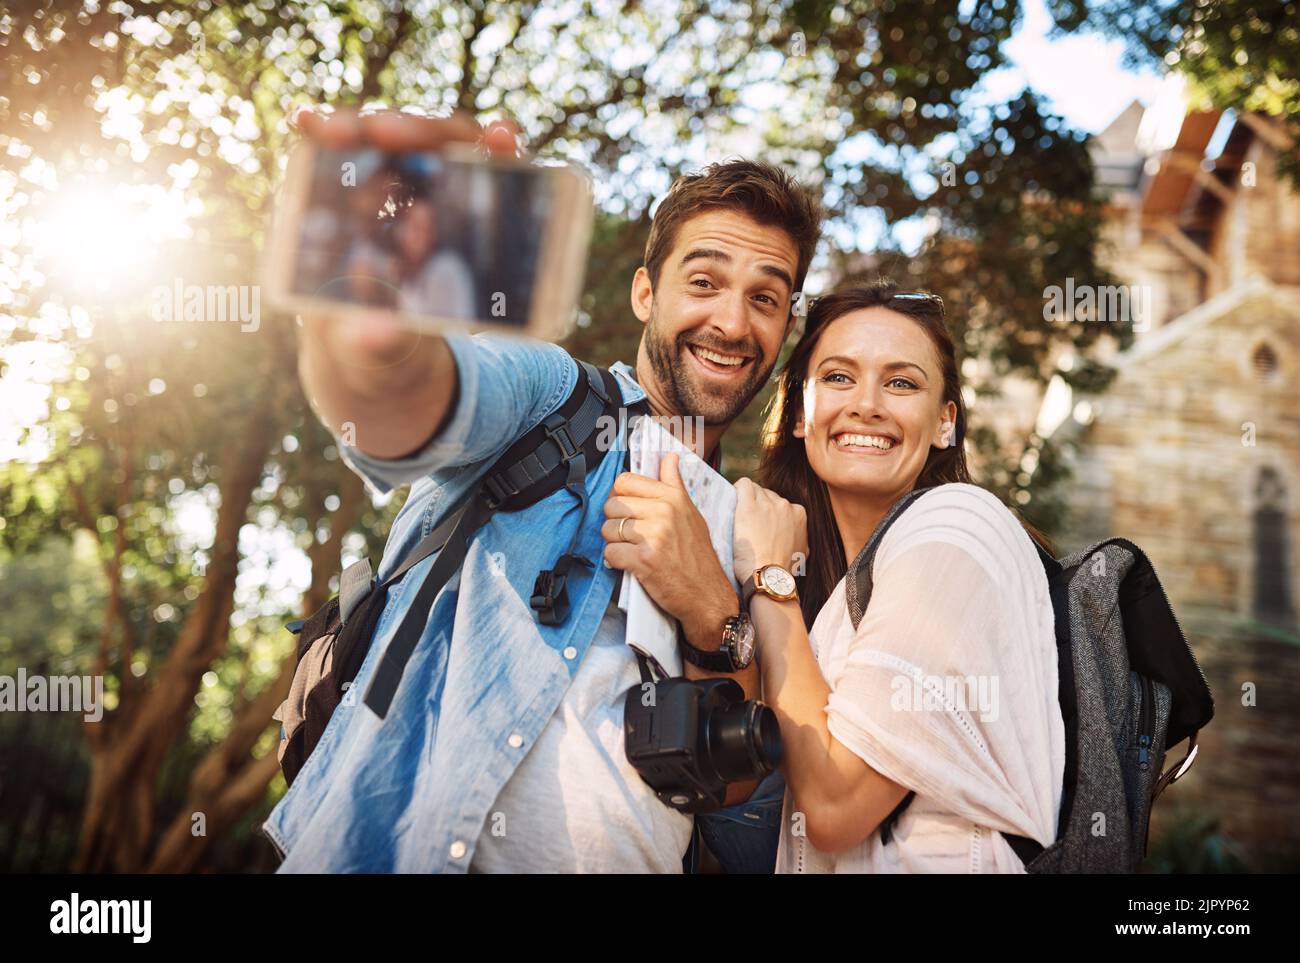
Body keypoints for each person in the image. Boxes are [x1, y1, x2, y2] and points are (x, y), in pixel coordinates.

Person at [263, 106, 822, 873]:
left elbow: (750, 835)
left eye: (765, 297)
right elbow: (407, 405)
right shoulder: (551, 396)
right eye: (704, 281)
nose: (732, 321)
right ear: (644, 294)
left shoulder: (760, 538)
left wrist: (716, 619)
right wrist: (370, 319)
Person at [730, 282, 1065, 872]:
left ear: (944, 423)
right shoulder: (839, 600)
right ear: (802, 414)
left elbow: (835, 805)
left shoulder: (957, 526)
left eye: (901, 383)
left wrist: (770, 579)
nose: (866, 403)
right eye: (837, 377)